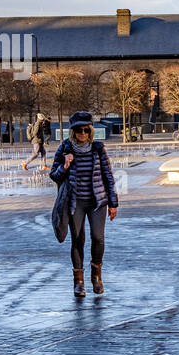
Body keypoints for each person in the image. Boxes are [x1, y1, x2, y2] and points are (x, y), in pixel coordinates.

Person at [50, 111, 119, 298]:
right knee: (78, 239)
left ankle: (96, 276)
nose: (82, 134)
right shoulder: (65, 149)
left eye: (86, 130)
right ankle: (78, 282)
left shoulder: (98, 149)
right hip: (75, 202)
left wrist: (113, 203)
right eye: (79, 130)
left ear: (90, 131)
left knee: (98, 237)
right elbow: (53, 175)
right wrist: (64, 166)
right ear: (73, 132)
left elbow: (108, 177)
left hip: (97, 201)